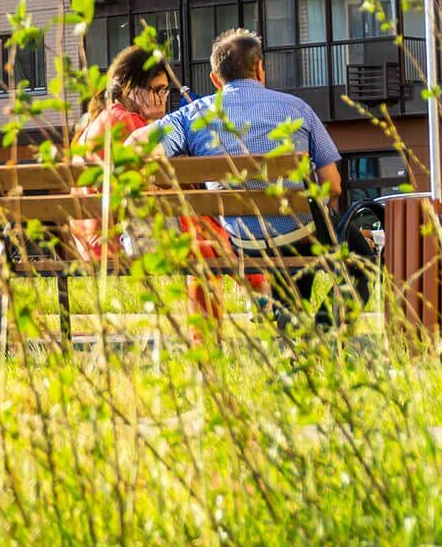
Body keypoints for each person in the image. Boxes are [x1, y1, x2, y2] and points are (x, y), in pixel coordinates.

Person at [136, 28, 353, 327]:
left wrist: (162, 176)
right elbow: (334, 184)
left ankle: (290, 327)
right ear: (260, 69)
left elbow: (136, 145)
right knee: (357, 255)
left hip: (240, 241)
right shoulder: (297, 108)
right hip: (299, 236)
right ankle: (324, 325)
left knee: (278, 243)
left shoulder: (192, 116)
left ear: (215, 79)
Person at [70, 45, 176, 258]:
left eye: (165, 90)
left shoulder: (98, 120)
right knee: (203, 225)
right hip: (119, 244)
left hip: (93, 247)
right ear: (130, 88)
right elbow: (164, 184)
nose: (163, 97)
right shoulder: (127, 123)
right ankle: (257, 284)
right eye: (157, 89)